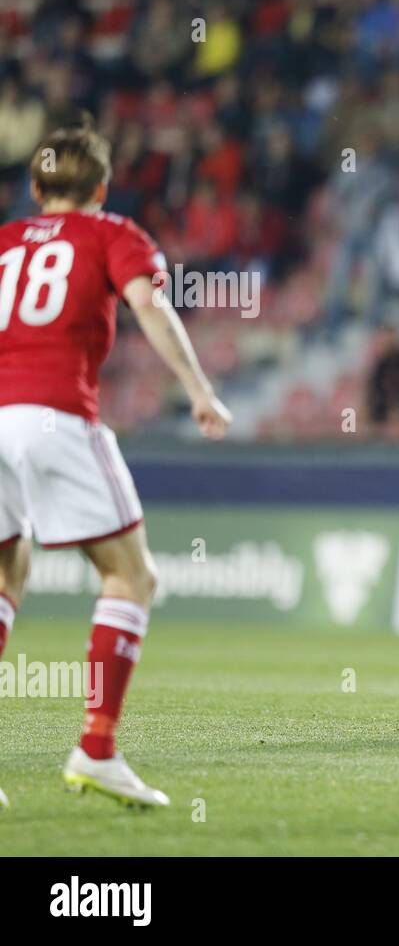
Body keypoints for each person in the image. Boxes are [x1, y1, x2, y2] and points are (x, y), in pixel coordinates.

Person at [0, 119, 232, 808]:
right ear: (100, 187)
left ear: (37, 186)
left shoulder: (4, 241)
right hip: (56, 415)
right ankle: (97, 748)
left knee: (8, 571)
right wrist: (199, 390)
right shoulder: (113, 234)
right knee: (131, 575)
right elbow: (151, 308)